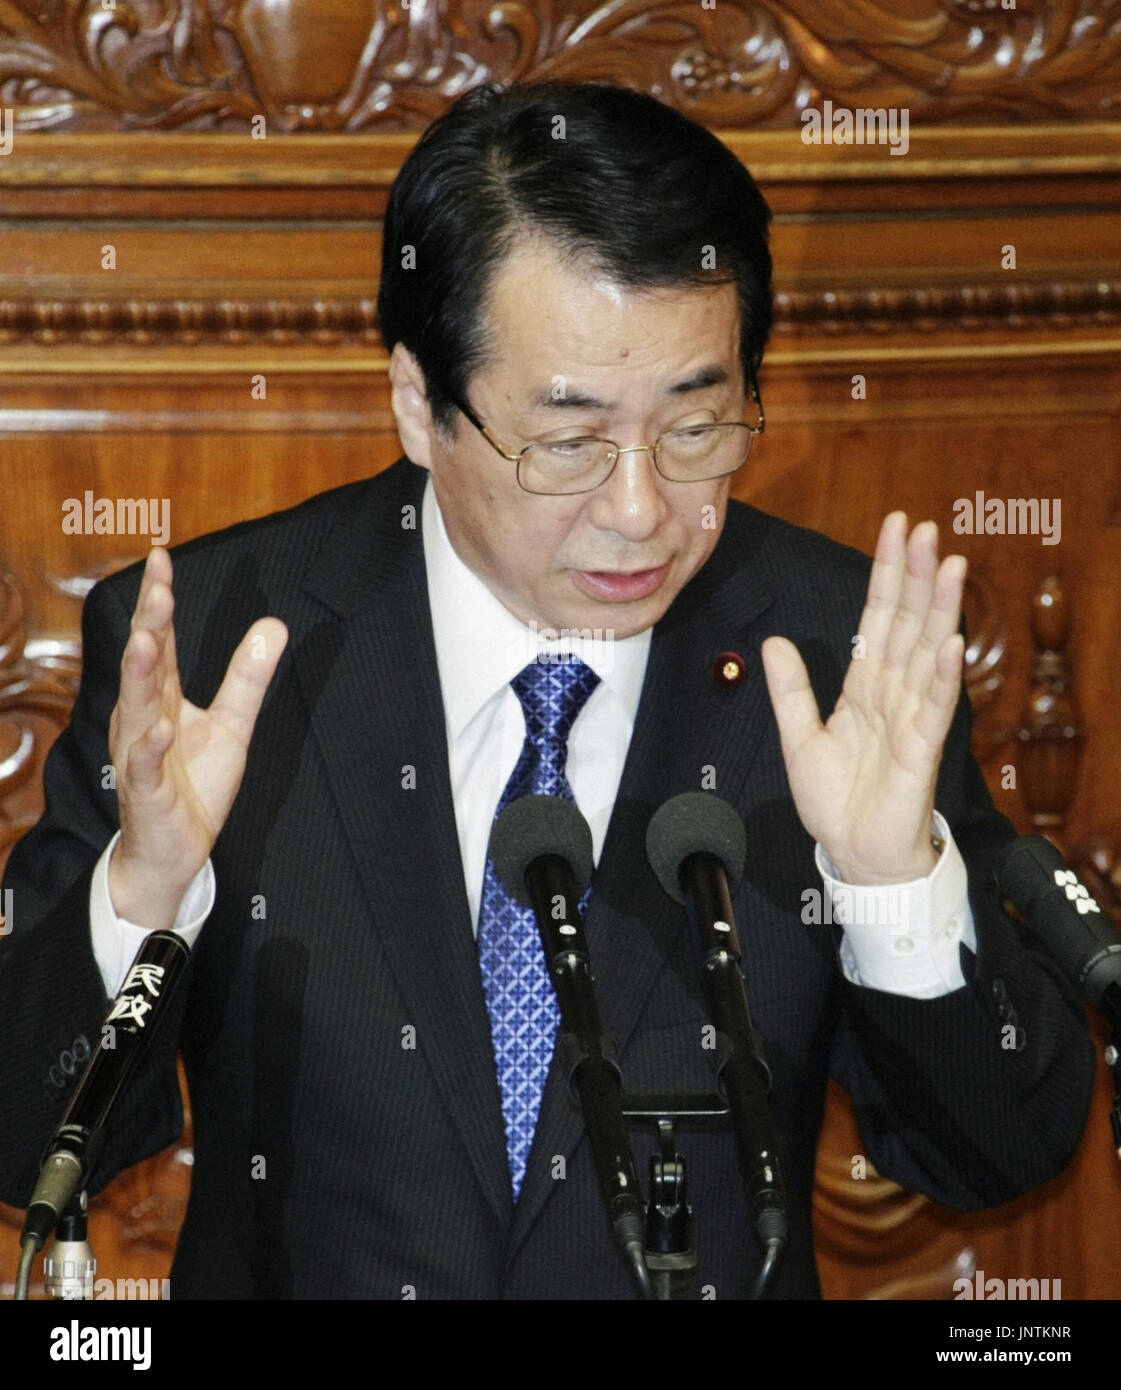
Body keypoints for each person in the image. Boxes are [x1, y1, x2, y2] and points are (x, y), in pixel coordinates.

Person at [0, 80, 1095, 1299]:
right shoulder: (216, 647)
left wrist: (893, 885)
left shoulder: (833, 654)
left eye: (696, 428)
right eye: (567, 441)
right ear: (419, 403)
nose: (639, 511)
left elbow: (996, 1149)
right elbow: (18, 1135)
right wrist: (145, 893)